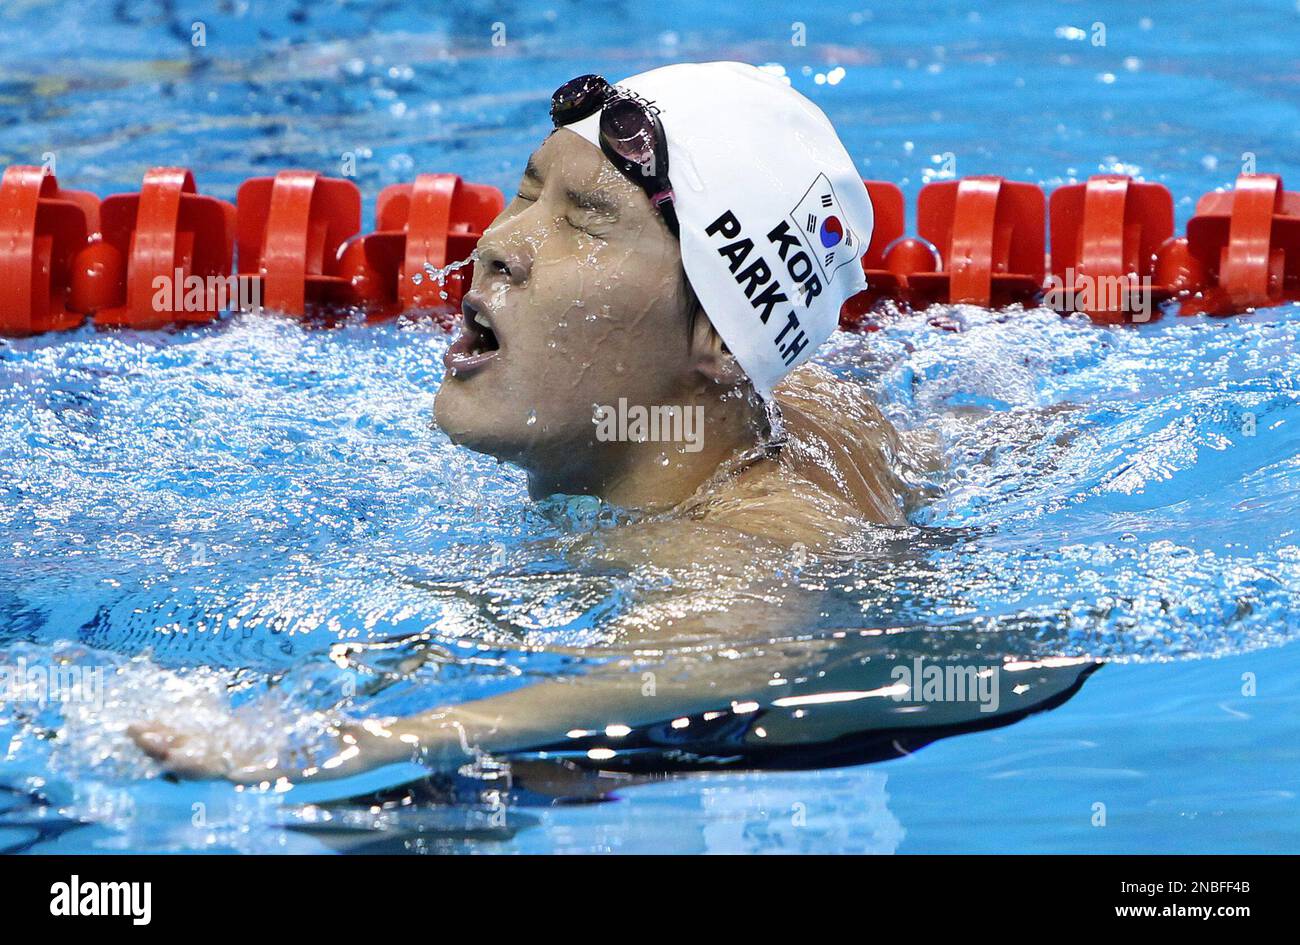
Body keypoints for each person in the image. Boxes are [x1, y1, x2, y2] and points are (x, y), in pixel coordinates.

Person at [130, 62, 968, 784]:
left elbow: (728, 653)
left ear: (716, 334)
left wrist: (347, 745)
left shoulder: (744, 542)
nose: (499, 243)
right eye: (526, 193)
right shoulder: (770, 407)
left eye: (584, 220)